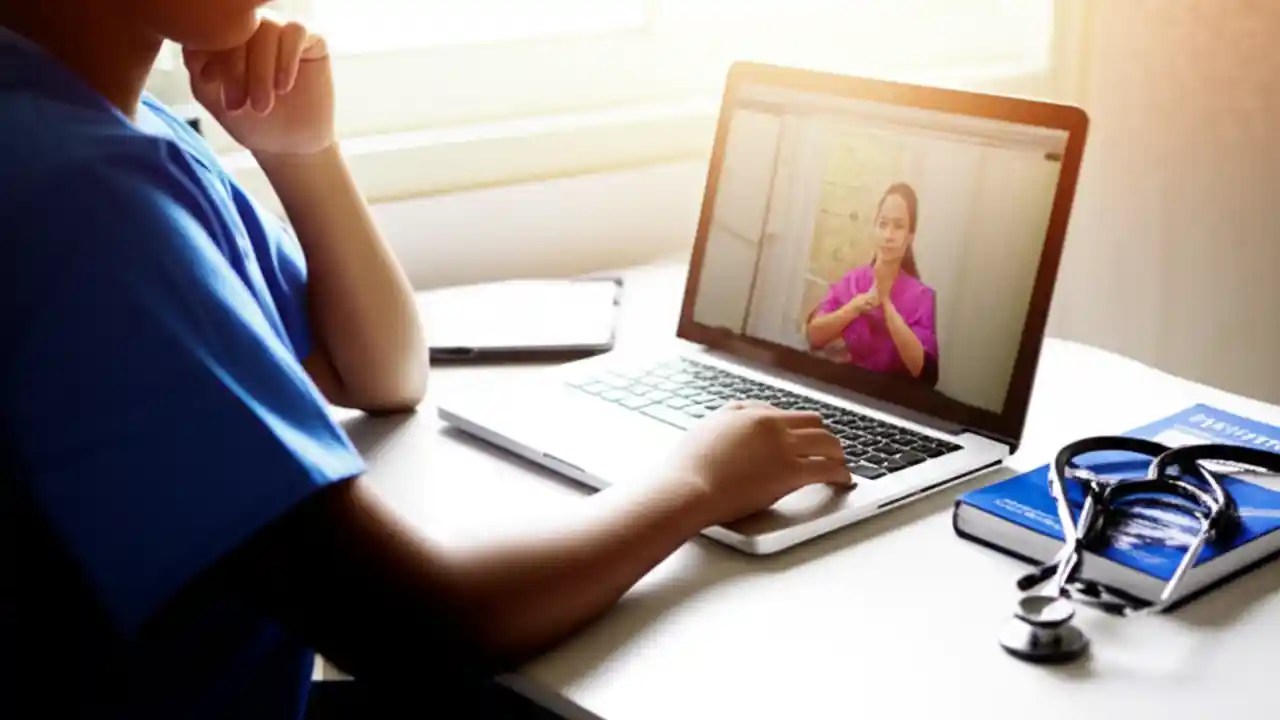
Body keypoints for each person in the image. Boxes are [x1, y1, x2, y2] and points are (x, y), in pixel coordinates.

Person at [0, 2, 852, 718]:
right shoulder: (85, 196)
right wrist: (697, 481)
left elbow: (378, 373)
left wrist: (301, 154)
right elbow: (420, 625)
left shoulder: (119, 126)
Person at [806, 182, 939, 384]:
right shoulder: (853, 280)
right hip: (844, 387)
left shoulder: (922, 297)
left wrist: (886, 304)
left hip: (890, 397)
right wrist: (854, 307)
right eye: (883, 224)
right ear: (875, 228)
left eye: (898, 226)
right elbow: (814, 335)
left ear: (910, 236)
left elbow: (923, 372)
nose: (888, 235)